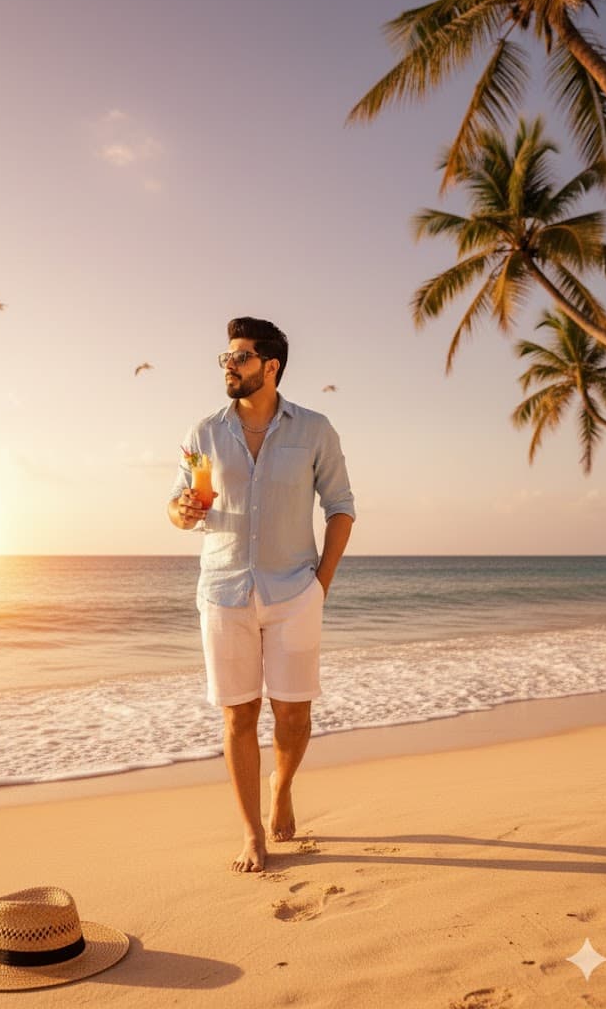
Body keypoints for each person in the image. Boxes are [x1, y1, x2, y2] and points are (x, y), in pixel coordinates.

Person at [167, 317, 355, 873]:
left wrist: (321, 584)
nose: (229, 365)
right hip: (223, 591)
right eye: (225, 357)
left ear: (271, 367)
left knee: (293, 715)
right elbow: (180, 506)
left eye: (241, 357)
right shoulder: (203, 433)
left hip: (295, 590)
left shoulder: (315, 430)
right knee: (238, 717)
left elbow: (341, 506)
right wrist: (180, 512)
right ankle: (252, 833)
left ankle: (283, 786)